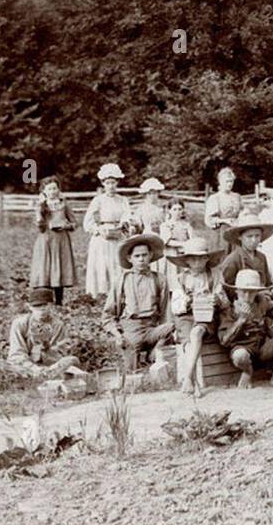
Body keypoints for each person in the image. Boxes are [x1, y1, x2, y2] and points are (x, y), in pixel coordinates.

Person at [216, 268, 273, 388]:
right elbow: (224, 341)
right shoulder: (229, 310)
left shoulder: (261, 302)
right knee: (240, 356)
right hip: (243, 349)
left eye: (252, 292)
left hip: (263, 349)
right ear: (237, 291)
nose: (248, 296)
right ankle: (248, 371)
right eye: (244, 291)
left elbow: (271, 307)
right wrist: (241, 321)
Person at [166, 236, 227, 396]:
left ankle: (187, 379)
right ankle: (195, 383)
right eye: (193, 259)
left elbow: (225, 301)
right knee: (187, 344)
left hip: (206, 317)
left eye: (201, 259)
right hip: (186, 317)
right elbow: (176, 307)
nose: (197, 263)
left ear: (207, 258)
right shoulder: (180, 279)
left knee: (196, 333)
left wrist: (217, 299)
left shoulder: (214, 275)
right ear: (186, 261)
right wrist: (187, 301)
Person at [103, 233, 175, 364]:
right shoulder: (122, 280)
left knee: (171, 327)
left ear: (151, 255)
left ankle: (153, 354)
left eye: (144, 255)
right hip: (131, 329)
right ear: (129, 258)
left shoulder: (159, 279)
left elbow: (166, 312)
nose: (141, 259)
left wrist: (160, 346)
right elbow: (108, 315)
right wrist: (118, 335)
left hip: (152, 328)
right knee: (132, 373)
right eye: (137, 256)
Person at [0, 288, 81, 380]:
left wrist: (45, 352)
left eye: (45, 305)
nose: (41, 309)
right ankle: (39, 376)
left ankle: (33, 377)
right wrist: (33, 368)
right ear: (30, 307)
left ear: (51, 306)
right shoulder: (20, 323)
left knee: (73, 360)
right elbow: (16, 353)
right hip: (25, 366)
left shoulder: (58, 325)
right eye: (37, 306)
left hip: (50, 367)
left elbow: (60, 353)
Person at [83, 162, 129, 297]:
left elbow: (127, 214)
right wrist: (98, 230)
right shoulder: (98, 200)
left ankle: (119, 292)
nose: (111, 186)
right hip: (103, 236)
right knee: (103, 263)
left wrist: (123, 224)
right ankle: (103, 293)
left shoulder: (123, 200)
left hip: (118, 233)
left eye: (113, 182)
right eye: (108, 183)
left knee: (118, 262)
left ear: (117, 183)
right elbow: (88, 220)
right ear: (103, 183)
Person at [30, 177, 76, 305]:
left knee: (59, 267)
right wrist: (39, 214)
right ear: (44, 191)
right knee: (46, 268)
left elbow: (74, 223)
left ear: (58, 189)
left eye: (55, 188)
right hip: (46, 240)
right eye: (49, 189)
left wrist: (66, 226)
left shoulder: (64, 204)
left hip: (61, 240)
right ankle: (44, 300)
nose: (53, 191)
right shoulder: (41, 206)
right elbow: (40, 228)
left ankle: (59, 301)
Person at [218, 213, 273, 296]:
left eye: (257, 236)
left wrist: (272, 290)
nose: (254, 240)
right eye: (249, 236)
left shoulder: (261, 257)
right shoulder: (233, 260)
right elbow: (226, 289)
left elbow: (267, 283)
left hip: (263, 302)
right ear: (240, 237)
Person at [204, 166, 244, 252]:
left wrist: (242, 217)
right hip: (221, 232)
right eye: (227, 181)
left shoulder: (237, 196)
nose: (229, 184)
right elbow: (210, 219)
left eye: (231, 181)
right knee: (222, 257)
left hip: (236, 231)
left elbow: (242, 211)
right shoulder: (215, 198)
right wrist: (225, 221)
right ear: (220, 182)